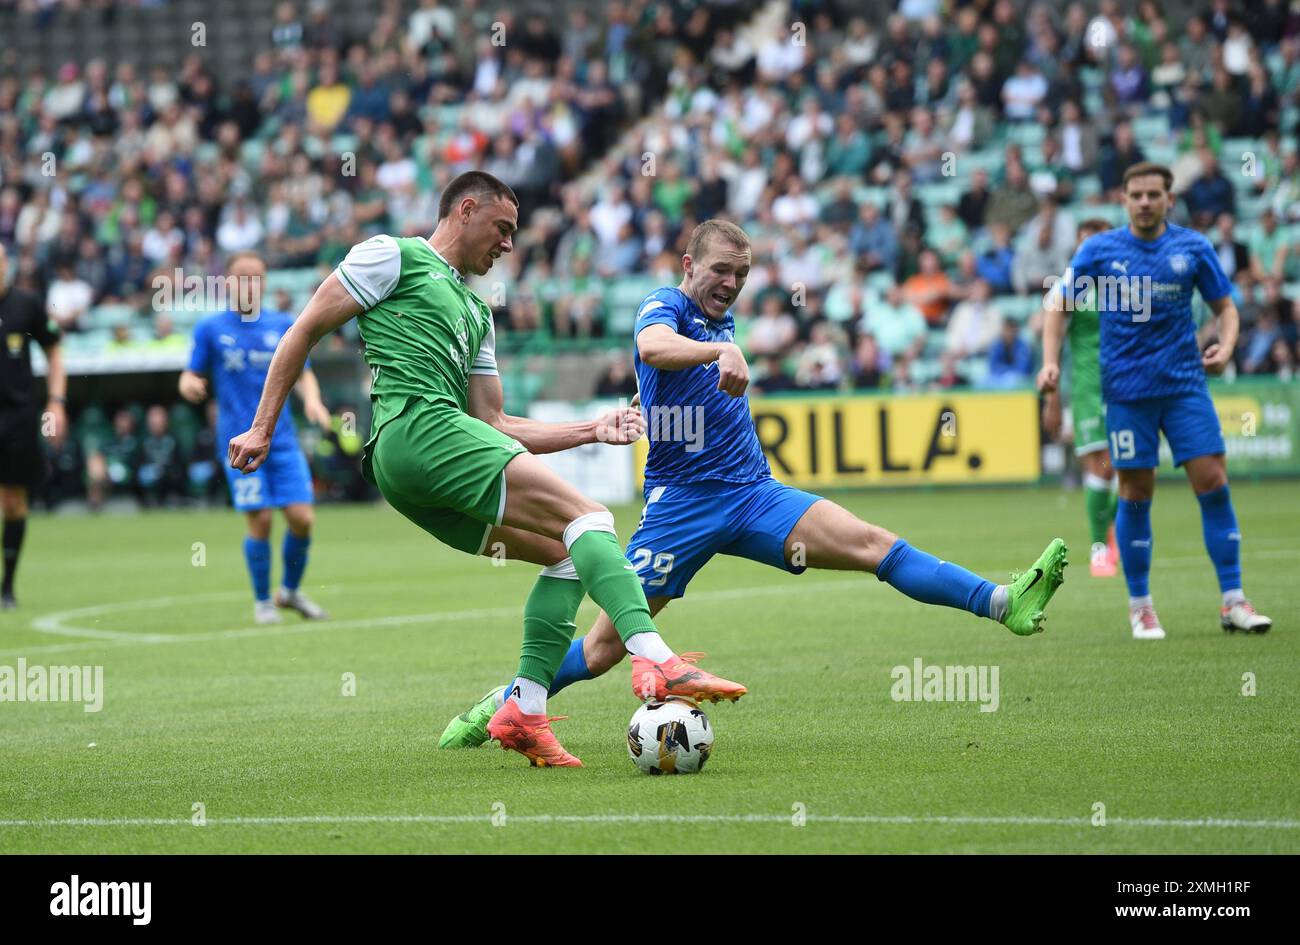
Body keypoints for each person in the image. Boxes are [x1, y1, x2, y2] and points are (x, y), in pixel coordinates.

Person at [440, 220, 1070, 750]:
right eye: (721, 270)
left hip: (753, 494)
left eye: (742, 274)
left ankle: (1001, 602)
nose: (732, 283)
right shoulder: (665, 304)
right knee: (603, 648)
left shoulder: (721, 319)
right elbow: (654, 346)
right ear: (689, 266)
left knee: (874, 544)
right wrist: (716, 355)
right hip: (681, 509)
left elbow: (667, 374)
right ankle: (503, 703)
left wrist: (662, 392)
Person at [227, 172, 742, 768]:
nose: (508, 244)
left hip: (414, 469)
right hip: (418, 427)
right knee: (592, 518)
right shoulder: (392, 255)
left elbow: (495, 423)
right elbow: (304, 330)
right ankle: (655, 656)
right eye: (502, 228)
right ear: (465, 209)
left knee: (566, 552)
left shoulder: (477, 311)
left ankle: (524, 710)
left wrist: (591, 429)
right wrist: (263, 426)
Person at [1039, 163, 1271, 639]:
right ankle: (1140, 606)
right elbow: (1057, 306)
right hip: (1127, 393)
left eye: (1153, 194)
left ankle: (1234, 600)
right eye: (1136, 195)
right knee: (1135, 492)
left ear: (1169, 199)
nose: (1145, 202)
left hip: (1185, 386)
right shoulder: (1100, 250)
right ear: (1123, 200)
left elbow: (1226, 308)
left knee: (1213, 480)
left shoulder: (1193, 247)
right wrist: (1049, 362)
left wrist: (1227, 347)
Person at [180, 251, 332, 625]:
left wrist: (313, 401)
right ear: (228, 283)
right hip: (239, 443)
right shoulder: (210, 328)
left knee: (302, 518)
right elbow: (190, 373)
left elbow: (303, 372)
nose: (249, 284)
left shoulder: (284, 325)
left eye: (256, 277)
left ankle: (289, 592)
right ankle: (263, 601)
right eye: (242, 277)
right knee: (261, 520)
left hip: (283, 441)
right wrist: (189, 384)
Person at [1037, 218, 1120, 578]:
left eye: (1095, 241)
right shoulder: (1072, 289)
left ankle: (1115, 529)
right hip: (1088, 389)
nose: (1088, 249)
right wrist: (1052, 398)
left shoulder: (1128, 286)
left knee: (1133, 467)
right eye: (1083, 242)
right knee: (1101, 465)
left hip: (1129, 387)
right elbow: (1052, 335)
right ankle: (1100, 547)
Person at [0, 243, 67, 610]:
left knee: (12, 501)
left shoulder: (26, 305)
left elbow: (54, 350)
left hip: (17, 417)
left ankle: (7, 587)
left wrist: (56, 401)